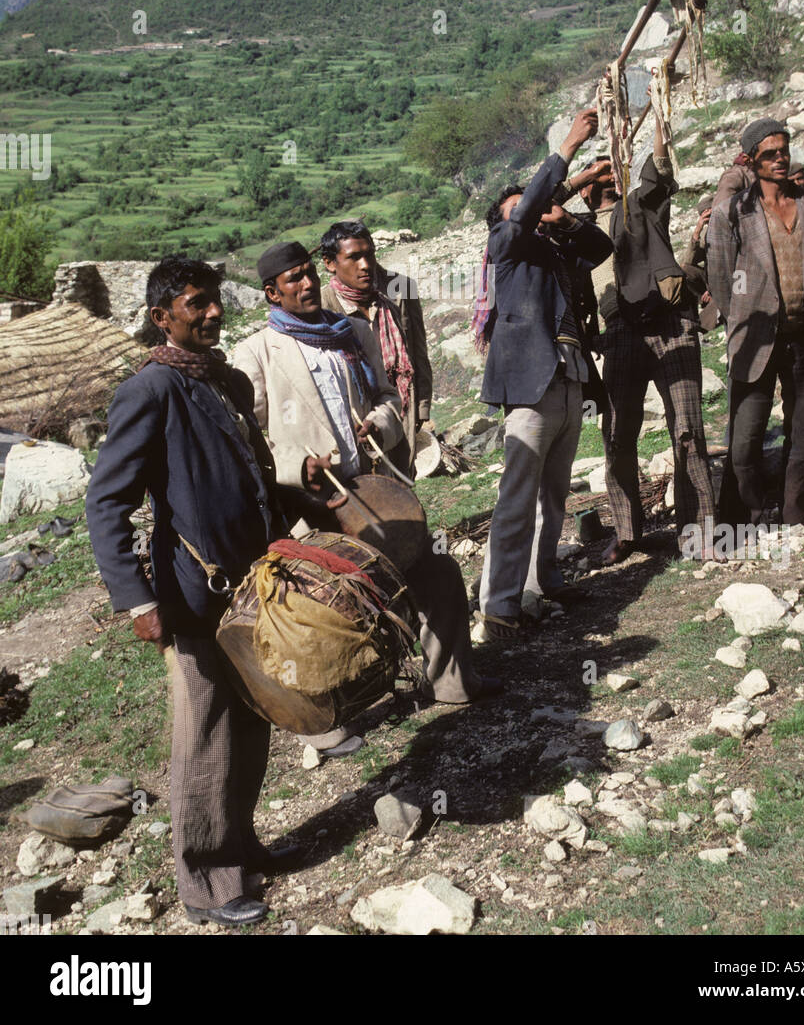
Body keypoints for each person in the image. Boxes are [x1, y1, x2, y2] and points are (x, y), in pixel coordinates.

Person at [86, 257, 288, 928]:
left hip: (254, 586)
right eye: (195, 305)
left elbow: (252, 475)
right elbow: (106, 503)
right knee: (207, 737)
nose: (211, 314)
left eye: (213, 302)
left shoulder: (223, 380)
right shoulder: (150, 391)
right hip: (195, 593)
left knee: (254, 720)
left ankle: (239, 844)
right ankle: (205, 879)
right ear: (160, 316)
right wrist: (138, 601)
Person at [233, 241, 500, 705]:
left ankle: (451, 682)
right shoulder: (257, 353)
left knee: (435, 573)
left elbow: (388, 397)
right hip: (312, 507)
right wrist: (298, 466)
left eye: (309, 272)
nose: (308, 283)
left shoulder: (353, 332)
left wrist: (378, 422)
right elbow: (251, 439)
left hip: (372, 492)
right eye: (293, 278)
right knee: (318, 610)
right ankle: (331, 715)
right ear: (272, 294)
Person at [475, 108, 614, 640]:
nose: (535, 216)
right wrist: (569, 153)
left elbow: (600, 248)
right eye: (523, 212)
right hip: (530, 388)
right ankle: (499, 604)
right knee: (516, 497)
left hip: (567, 379)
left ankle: (545, 577)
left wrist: (570, 218)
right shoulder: (506, 248)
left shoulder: (552, 249)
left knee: (553, 492)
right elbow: (526, 208)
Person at [599, 111, 717, 564]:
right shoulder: (577, 229)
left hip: (670, 325)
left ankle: (700, 531)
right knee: (617, 435)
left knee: (687, 428)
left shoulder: (638, 207)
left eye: (612, 169)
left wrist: (658, 112)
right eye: (600, 173)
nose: (607, 177)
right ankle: (628, 533)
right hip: (621, 335)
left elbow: (659, 172)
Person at [707, 120, 804, 528]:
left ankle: (800, 508)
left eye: (784, 150)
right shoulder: (732, 213)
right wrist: (741, 320)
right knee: (745, 438)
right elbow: (721, 279)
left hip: (803, 338)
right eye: (770, 153)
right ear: (750, 160)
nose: (780, 158)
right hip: (755, 339)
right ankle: (750, 513)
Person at [320, 220, 432, 478]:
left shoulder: (400, 289)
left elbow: (418, 352)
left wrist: (421, 408)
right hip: (356, 417)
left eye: (369, 254)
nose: (365, 265)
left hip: (401, 405)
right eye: (353, 257)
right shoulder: (323, 305)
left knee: (403, 479)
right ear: (330, 263)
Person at [679, 195, 719, 332]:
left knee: (702, 323)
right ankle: (705, 303)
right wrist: (697, 231)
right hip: (711, 282)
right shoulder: (707, 233)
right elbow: (688, 262)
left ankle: (706, 318)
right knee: (683, 271)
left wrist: (713, 289)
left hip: (727, 282)